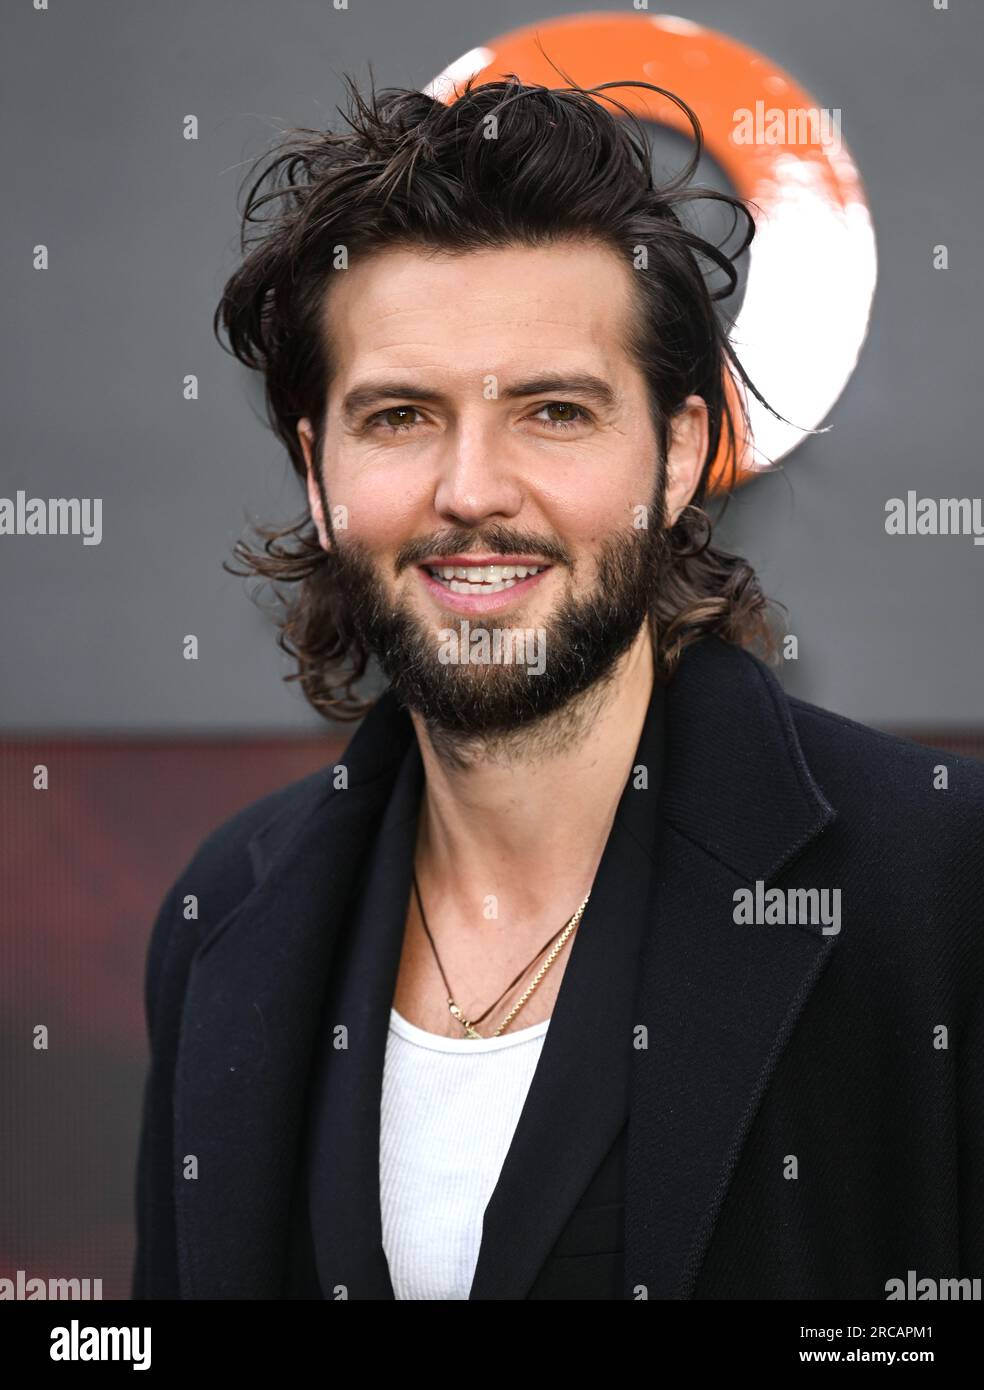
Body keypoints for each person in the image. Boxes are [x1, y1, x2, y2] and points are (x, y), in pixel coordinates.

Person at [131, 74, 984, 1301]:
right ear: (320, 474)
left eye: (554, 411)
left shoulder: (942, 883)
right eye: (403, 415)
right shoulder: (227, 917)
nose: (473, 489)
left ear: (680, 453)